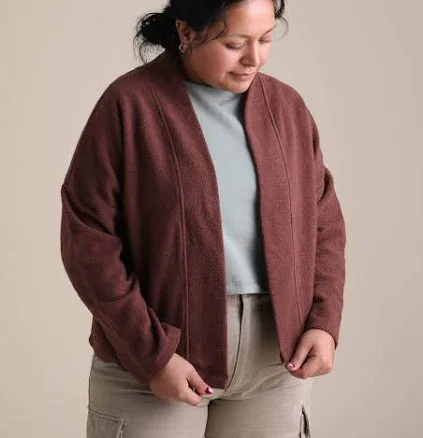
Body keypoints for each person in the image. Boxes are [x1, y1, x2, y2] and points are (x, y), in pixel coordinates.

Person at [60, 0, 346, 436]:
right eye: (234, 44)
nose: (254, 58)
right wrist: (152, 353)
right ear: (186, 32)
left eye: (265, 39)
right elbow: (88, 238)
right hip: (156, 358)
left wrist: (323, 323)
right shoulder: (130, 105)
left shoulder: (287, 108)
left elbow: (324, 225)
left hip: (276, 363)